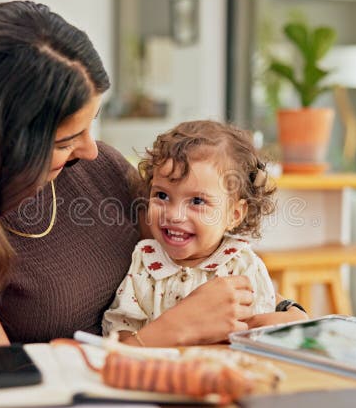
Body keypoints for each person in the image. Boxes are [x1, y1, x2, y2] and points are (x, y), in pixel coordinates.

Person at [0, 1, 303, 348]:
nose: (90, 149)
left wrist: (288, 313)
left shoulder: (99, 170)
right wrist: (162, 337)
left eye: (91, 126)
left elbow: (199, 258)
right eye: (65, 140)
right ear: (2, 142)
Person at [102, 121, 306, 345]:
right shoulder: (144, 260)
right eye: (161, 195)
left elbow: (259, 332)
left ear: (234, 215)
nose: (174, 215)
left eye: (197, 201)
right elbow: (120, 332)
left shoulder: (243, 265)